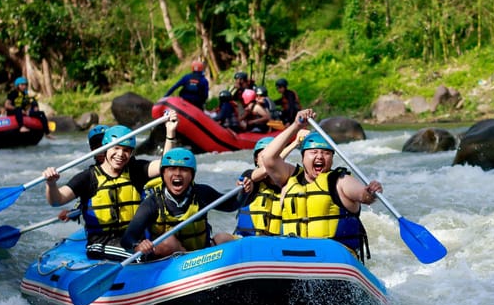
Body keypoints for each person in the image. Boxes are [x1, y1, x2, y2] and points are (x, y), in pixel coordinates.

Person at [42, 112, 180, 260]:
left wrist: (170, 132)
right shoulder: (88, 177)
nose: (121, 154)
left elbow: (166, 166)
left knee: (171, 242)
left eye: (126, 150)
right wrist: (51, 184)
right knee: (142, 254)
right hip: (102, 242)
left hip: (133, 237)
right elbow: (57, 200)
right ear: (106, 148)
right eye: (116, 148)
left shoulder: (135, 170)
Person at [261, 108, 381, 261]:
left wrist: (370, 191)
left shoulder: (340, 181)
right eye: (313, 152)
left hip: (334, 259)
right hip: (294, 257)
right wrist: (296, 126)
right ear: (303, 157)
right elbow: (268, 158)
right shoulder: (288, 179)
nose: (319, 156)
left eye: (325, 153)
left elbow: (363, 195)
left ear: (331, 158)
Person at [120, 148, 249, 259]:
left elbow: (231, 205)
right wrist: (138, 245)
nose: (177, 173)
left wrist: (243, 191)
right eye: (172, 169)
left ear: (192, 175)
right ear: (163, 174)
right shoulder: (152, 202)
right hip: (168, 261)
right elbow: (128, 238)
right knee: (168, 241)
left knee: (223, 238)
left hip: (201, 255)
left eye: (184, 170)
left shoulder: (202, 193)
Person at [235, 131, 308, 237]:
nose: (267, 159)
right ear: (256, 159)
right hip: (247, 240)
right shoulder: (250, 177)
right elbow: (269, 165)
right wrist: (295, 143)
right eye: (263, 156)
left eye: (272, 155)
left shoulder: (290, 183)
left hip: (275, 243)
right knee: (221, 238)